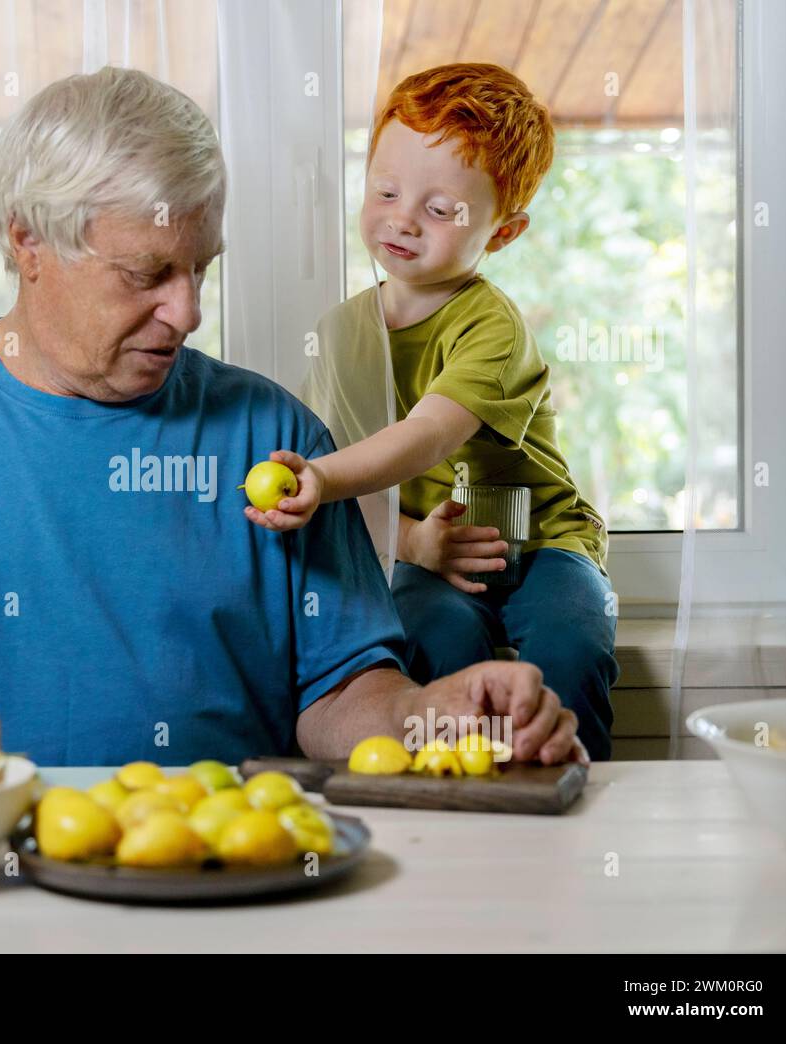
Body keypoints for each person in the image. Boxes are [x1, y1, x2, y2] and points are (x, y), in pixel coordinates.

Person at [0, 66, 584, 768]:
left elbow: (343, 694)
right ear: (29, 242)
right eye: (147, 274)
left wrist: (432, 716)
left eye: (200, 269)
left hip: (209, 887)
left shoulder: (274, 439)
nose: (188, 312)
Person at [247, 64, 616, 759]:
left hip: (540, 543)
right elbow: (354, 468)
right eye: (386, 191)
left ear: (503, 234)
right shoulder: (341, 334)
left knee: (572, 645)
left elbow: (427, 434)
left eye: (441, 210)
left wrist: (321, 478)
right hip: (433, 550)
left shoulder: (493, 328)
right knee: (430, 638)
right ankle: (463, 790)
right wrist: (409, 540)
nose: (402, 219)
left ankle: (572, 789)